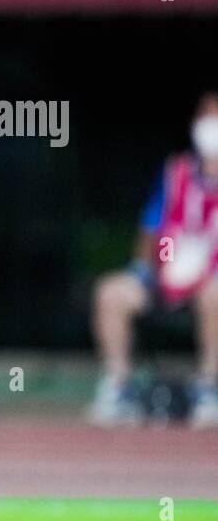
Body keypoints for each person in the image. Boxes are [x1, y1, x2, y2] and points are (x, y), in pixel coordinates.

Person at [89, 92, 218, 429]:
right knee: (111, 292)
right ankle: (119, 387)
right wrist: (161, 266)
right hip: (168, 277)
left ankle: (208, 388)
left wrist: (205, 270)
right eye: (207, 116)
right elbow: (156, 231)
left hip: (212, 282)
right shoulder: (177, 173)